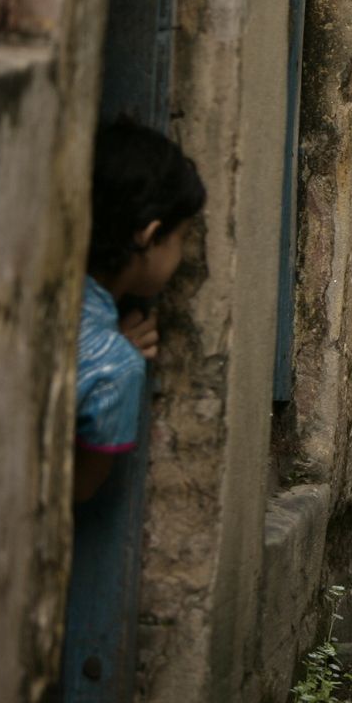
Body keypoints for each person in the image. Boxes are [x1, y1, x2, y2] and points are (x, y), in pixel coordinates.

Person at [77, 121, 205, 503]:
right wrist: (117, 358)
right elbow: (77, 486)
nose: (182, 255)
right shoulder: (116, 367)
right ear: (149, 237)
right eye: (182, 237)